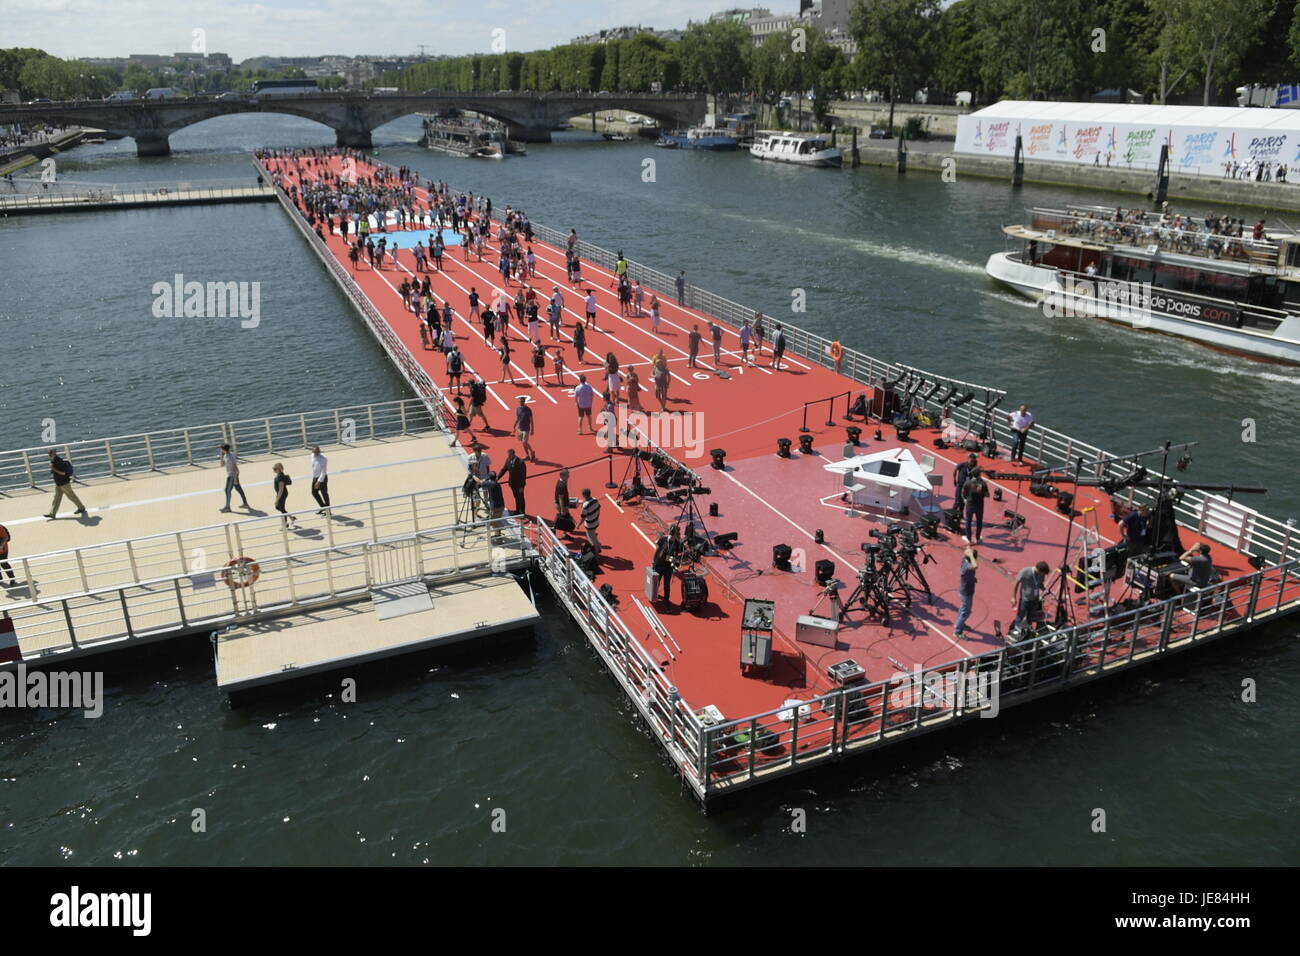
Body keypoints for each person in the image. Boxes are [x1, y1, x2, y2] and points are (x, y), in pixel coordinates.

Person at [45, 448, 88, 519]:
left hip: (64, 483)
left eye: (50, 453)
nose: (49, 454)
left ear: (54, 453)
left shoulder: (58, 461)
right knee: (56, 498)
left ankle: (81, 508)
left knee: (71, 496)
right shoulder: (53, 460)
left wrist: (53, 468)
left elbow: (63, 473)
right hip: (58, 483)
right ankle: (52, 514)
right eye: (48, 453)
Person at [1011, 561, 1050, 630]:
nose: (1043, 575)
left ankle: (1027, 630)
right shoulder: (1025, 571)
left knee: (1030, 617)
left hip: (1035, 600)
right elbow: (1016, 583)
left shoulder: (1041, 574)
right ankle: (1016, 631)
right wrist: (1013, 597)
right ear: (1039, 570)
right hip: (1025, 600)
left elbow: (1039, 583)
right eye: (1043, 573)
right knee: (1020, 616)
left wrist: (1044, 589)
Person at [652, 524, 681, 605]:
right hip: (659, 565)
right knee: (656, 583)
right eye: (676, 533)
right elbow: (658, 551)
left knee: (667, 586)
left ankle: (666, 602)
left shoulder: (677, 544)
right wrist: (654, 561)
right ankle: (654, 595)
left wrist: (675, 562)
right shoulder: (663, 539)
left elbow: (676, 555)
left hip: (668, 567)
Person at [954, 541, 978, 638]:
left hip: (963, 589)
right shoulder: (969, 566)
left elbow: (967, 551)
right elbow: (975, 566)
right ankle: (958, 631)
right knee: (965, 612)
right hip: (966, 592)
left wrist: (969, 549)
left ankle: (959, 624)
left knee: (962, 609)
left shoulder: (964, 559)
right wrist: (972, 556)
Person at [218, 443, 249, 513]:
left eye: (221, 450)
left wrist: (235, 479)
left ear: (223, 449)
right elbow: (221, 465)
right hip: (231, 475)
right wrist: (221, 456)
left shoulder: (230, 457)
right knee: (238, 488)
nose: (220, 451)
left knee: (227, 490)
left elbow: (236, 469)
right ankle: (245, 503)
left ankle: (227, 507)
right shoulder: (225, 455)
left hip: (232, 476)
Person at [962, 466, 989, 543]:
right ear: (979, 474)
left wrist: (965, 499)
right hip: (979, 506)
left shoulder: (968, 483)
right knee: (979, 522)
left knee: (968, 521)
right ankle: (977, 538)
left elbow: (964, 493)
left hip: (970, 505)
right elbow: (987, 495)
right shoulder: (983, 484)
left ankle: (968, 538)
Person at [497, 448, 528, 515]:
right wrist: (497, 477)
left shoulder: (520, 462)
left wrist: (521, 486)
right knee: (516, 497)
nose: (509, 457)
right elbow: (504, 470)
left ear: (513, 454)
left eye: (510, 455)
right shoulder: (508, 460)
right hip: (512, 483)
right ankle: (517, 511)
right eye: (508, 455)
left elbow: (523, 476)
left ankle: (522, 512)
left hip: (519, 484)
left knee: (520, 498)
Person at [272, 462, 297, 528]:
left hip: (282, 494)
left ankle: (285, 525)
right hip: (280, 494)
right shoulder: (279, 475)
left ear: (279, 469)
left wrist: (277, 499)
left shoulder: (280, 477)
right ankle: (291, 518)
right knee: (278, 507)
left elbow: (281, 489)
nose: (273, 470)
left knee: (281, 508)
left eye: (275, 469)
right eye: (273, 469)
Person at [515, 395, 537, 462]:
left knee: (525, 442)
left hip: (526, 428)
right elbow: (517, 418)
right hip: (520, 428)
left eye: (522, 401)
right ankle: (527, 455)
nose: (521, 402)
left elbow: (531, 420)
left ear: (524, 401)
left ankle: (532, 452)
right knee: (523, 442)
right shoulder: (518, 409)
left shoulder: (528, 410)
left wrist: (532, 429)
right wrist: (514, 426)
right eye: (520, 401)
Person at [580, 487, 602, 553]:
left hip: (589, 525)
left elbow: (583, 517)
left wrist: (578, 525)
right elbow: (598, 509)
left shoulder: (585, 505)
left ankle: (596, 553)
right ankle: (598, 547)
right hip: (596, 522)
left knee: (591, 539)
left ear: (583, 495)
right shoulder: (595, 500)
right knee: (593, 536)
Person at [310, 445, 331, 515]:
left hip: (322, 478)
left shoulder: (323, 459)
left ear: (319, 452)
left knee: (324, 494)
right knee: (314, 492)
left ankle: (328, 511)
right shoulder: (312, 456)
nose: (315, 453)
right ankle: (323, 507)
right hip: (315, 477)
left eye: (317, 452)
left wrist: (318, 482)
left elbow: (323, 472)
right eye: (314, 452)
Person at [0, 521, 17, 588]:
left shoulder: (0, 527)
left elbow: (5, 537)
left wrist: (1, 546)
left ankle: (12, 578)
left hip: (2, 550)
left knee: (4, 564)